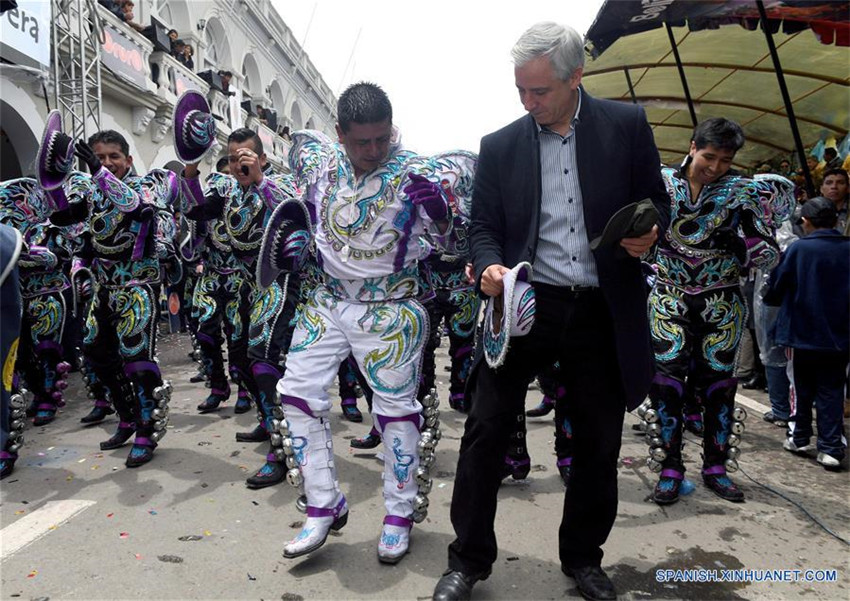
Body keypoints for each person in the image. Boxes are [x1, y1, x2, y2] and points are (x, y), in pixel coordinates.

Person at [432, 22, 670, 601]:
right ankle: (467, 561)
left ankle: (584, 558)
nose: (528, 102)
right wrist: (489, 266)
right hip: (523, 306)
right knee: (485, 429)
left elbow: (655, 202)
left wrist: (650, 232)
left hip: (598, 310)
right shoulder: (501, 145)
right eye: (521, 91)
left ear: (575, 77)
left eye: (540, 91)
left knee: (597, 441)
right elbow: (482, 229)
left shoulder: (626, 126)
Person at [272, 82, 453, 564]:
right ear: (340, 134)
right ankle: (323, 503)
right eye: (361, 142)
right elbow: (293, 180)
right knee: (296, 394)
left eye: (381, 139)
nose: (373, 151)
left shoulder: (417, 171)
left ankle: (398, 513)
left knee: (394, 412)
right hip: (326, 301)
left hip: (391, 308)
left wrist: (438, 209)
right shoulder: (317, 162)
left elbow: (454, 241)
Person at [644, 118, 794, 507]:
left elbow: (771, 253)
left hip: (722, 301)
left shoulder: (742, 192)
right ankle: (670, 468)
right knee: (667, 383)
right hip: (669, 295)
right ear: (693, 146)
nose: (714, 167)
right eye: (709, 157)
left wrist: (742, 244)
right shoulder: (658, 182)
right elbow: (636, 235)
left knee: (719, 386)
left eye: (725, 161)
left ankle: (716, 467)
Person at [48, 129, 178, 467]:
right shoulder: (93, 196)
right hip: (105, 289)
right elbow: (70, 224)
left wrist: (99, 175)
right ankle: (127, 418)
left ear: (128, 161)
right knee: (95, 351)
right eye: (100, 157)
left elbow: (135, 209)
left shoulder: (144, 187)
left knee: (137, 358)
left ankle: (148, 430)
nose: (106, 163)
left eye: (113, 157)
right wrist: (51, 182)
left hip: (138, 285)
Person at [765, 197, 849, 470]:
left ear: (805, 221)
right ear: (836, 220)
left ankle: (799, 437)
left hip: (802, 334)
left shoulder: (799, 249)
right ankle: (831, 449)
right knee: (833, 390)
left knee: (801, 388)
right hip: (840, 336)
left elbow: (776, 287)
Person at [820, 168, 848, 232]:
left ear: (848, 188)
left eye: (840, 183)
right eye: (829, 183)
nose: (834, 186)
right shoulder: (813, 211)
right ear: (821, 189)